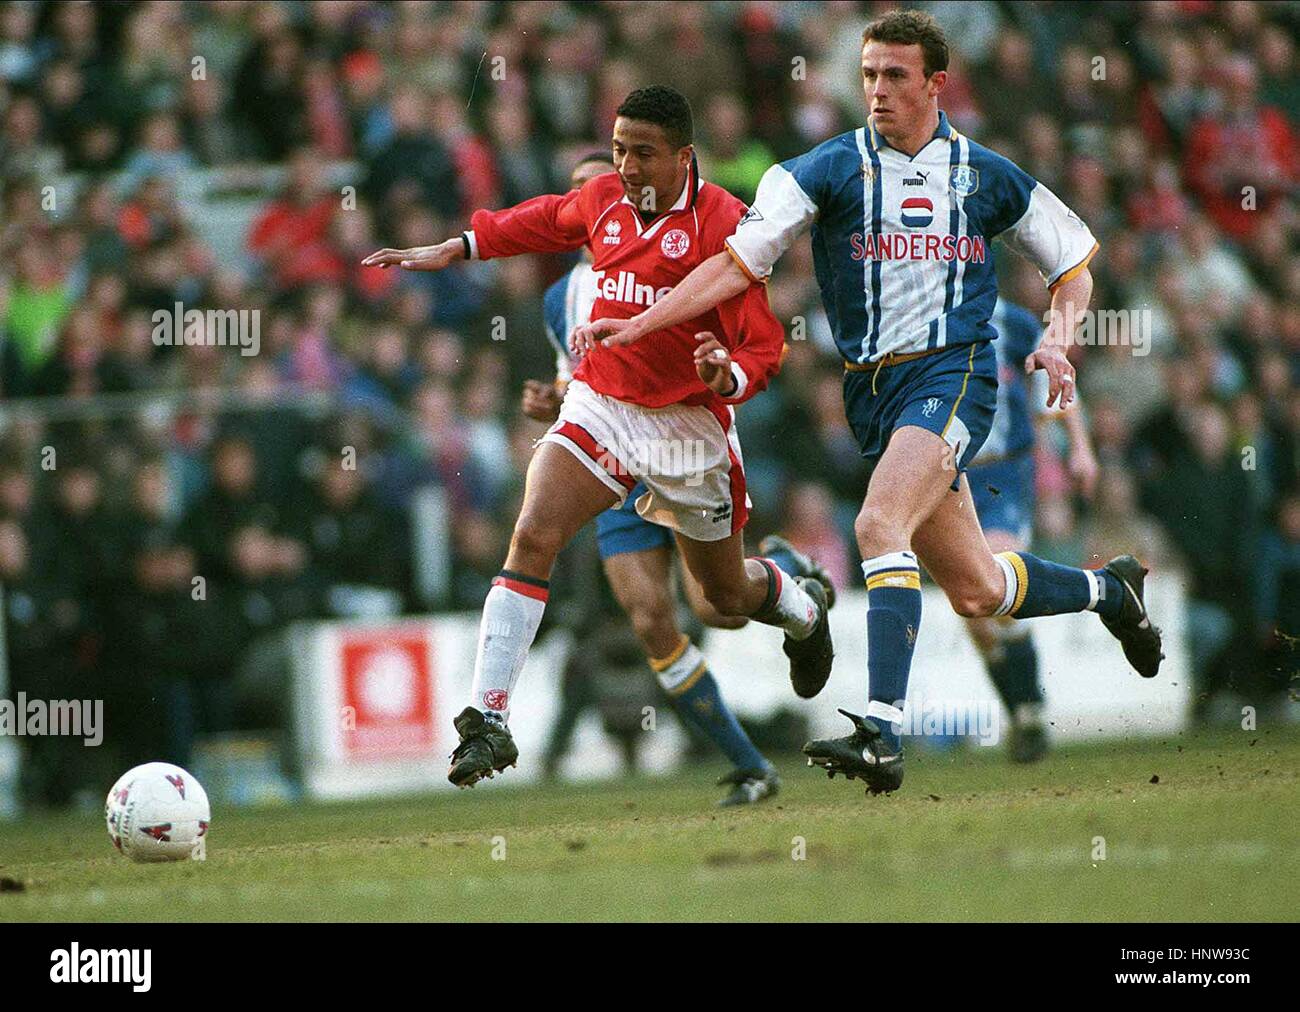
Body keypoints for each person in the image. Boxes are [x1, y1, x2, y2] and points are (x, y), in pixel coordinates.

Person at [573, 11, 1163, 794]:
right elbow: (736, 264)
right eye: (868, 75)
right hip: (871, 391)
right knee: (979, 589)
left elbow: (1075, 264)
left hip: (955, 372)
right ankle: (1110, 589)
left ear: (935, 83)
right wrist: (644, 322)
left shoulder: (985, 174)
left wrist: (1058, 337)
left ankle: (883, 730)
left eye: (894, 76)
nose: (877, 91)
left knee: (877, 525)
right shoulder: (821, 170)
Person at [364, 86, 835, 790]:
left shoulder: (728, 225)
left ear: (684, 156)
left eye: (642, 153)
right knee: (533, 534)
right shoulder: (604, 202)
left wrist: (725, 373)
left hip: (687, 430)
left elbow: (764, 347)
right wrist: (456, 247)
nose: (628, 167)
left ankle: (803, 611)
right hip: (604, 405)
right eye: (619, 150)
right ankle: (488, 718)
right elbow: (541, 220)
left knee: (726, 600)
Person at [527, 150, 836, 806]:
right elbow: (571, 377)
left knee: (716, 609)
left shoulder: (682, 255)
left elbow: (748, 338)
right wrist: (548, 400)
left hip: (681, 448)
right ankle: (749, 765)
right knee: (648, 618)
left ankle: (783, 576)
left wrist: (723, 371)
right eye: (584, 193)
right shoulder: (562, 300)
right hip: (614, 460)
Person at [964, 298, 1099, 763]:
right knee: (976, 618)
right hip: (947, 479)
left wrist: (1079, 448)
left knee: (998, 579)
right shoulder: (923, 315)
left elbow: (1055, 374)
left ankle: (1032, 715)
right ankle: (1023, 714)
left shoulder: (1009, 320)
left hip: (1004, 475)